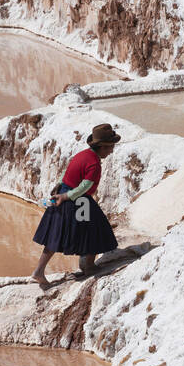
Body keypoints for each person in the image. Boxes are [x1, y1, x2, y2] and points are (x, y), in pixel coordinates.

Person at [31, 123, 121, 288]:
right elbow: (85, 186)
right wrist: (65, 196)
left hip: (66, 191)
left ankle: (39, 270)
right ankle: (89, 265)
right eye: (109, 147)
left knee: (56, 234)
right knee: (96, 229)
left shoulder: (83, 155)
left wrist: (60, 185)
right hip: (77, 199)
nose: (111, 151)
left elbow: (68, 172)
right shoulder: (94, 163)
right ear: (100, 146)